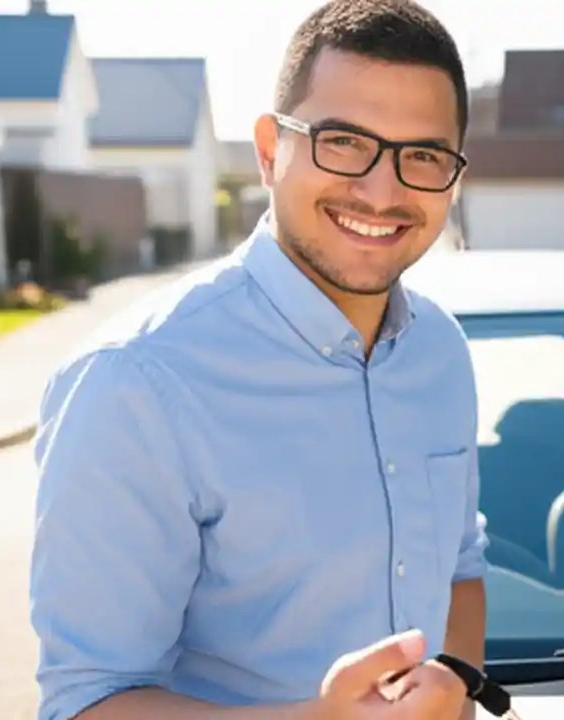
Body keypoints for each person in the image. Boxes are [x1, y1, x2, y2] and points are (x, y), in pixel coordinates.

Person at [27, 1, 488, 718]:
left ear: (454, 177)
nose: (382, 191)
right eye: (343, 142)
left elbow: (459, 569)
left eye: (423, 155)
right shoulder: (134, 382)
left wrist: (457, 684)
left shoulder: (440, 353)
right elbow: (87, 702)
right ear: (270, 151)